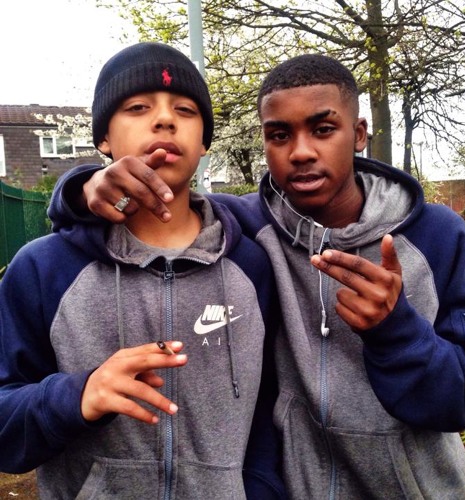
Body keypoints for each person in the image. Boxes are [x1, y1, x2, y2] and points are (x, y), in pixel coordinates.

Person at [48, 53, 465, 499]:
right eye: (279, 135)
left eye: (323, 129)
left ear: (359, 134)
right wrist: (82, 189)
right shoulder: (248, 225)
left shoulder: (436, 235)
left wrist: (396, 331)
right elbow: (169, 211)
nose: (300, 152)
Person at [0, 42, 286, 500]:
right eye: (137, 107)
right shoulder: (43, 268)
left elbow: (268, 412)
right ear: (103, 138)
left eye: (185, 110)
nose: (165, 119)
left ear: (205, 142)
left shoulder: (253, 266)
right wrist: (74, 397)